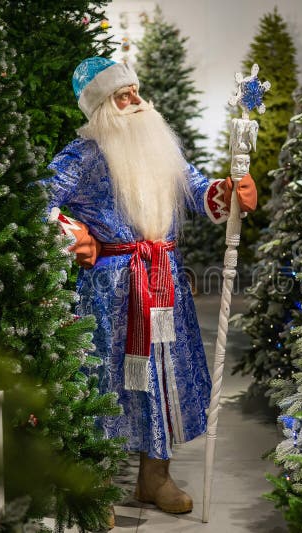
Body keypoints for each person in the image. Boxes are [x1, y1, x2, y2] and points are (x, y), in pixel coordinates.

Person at [40, 57, 257, 515]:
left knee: (163, 377)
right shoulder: (80, 156)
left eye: (136, 91)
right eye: (124, 95)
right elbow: (36, 200)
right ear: (102, 107)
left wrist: (230, 192)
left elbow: (195, 188)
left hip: (163, 282)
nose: (137, 101)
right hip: (110, 290)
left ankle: (154, 479)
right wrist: (73, 233)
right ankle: (93, 487)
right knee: (105, 381)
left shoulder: (161, 146)